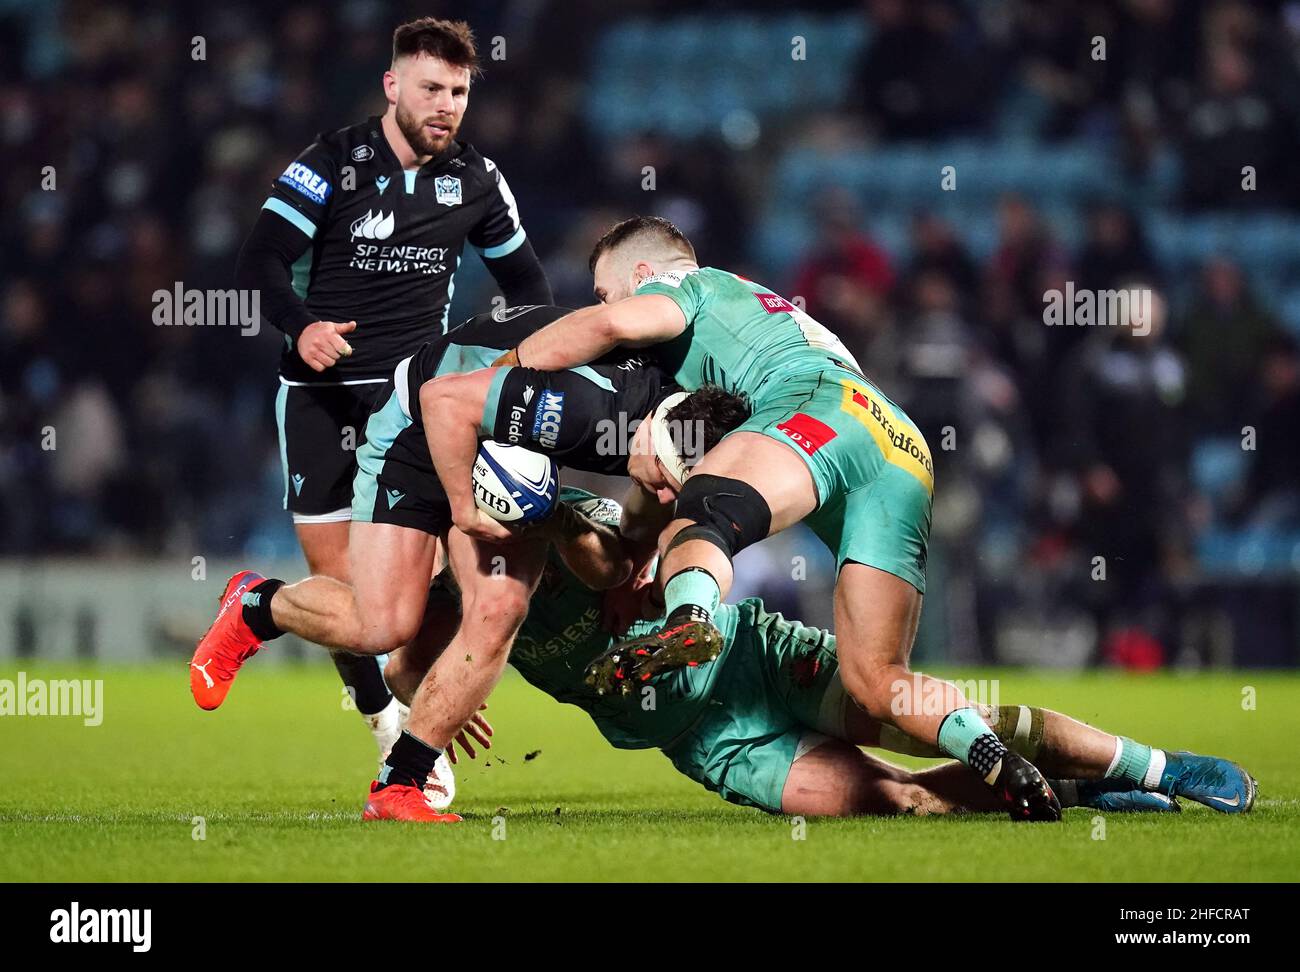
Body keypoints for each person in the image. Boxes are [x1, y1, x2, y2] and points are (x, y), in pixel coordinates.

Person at [462, 215, 1212, 822]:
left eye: (605, 292)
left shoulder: (688, 289)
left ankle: (687, 619)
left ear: (643, 276)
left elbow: (601, 333)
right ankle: (1162, 769)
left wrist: (502, 376)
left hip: (819, 409)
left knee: (710, 510)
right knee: (882, 683)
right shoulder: (735, 344)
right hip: (895, 447)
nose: (603, 311)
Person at [385, 485, 1255, 819]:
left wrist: (564, 518)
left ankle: (1163, 767)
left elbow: (612, 551)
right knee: (905, 805)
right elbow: (400, 666)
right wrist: (444, 697)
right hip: (709, 741)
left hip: (752, 656)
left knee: (963, 723)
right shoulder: (452, 596)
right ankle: (1082, 792)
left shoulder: (570, 528)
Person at [190, 304, 751, 821]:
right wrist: (462, 506)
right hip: (419, 424)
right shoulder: (581, 412)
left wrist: (636, 568)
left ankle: (397, 785)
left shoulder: (669, 425)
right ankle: (256, 603)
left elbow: (636, 526)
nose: (657, 495)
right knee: (380, 625)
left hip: (493, 437)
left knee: (501, 606)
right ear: (659, 438)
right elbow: (444, 401)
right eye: (662, 480)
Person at [233, 17, 551, 764]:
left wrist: (506, 367)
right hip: (319, 397)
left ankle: (418, 718)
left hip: (410, 407)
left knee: (410, 599)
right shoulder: (331, 162)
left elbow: (528, 289)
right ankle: (381, 716)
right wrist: (303, 326)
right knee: (343, 595)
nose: (447, 104)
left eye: (460, 91)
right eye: (432, 87)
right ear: (393, 85)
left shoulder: (476, 178)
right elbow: (261, 259)